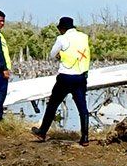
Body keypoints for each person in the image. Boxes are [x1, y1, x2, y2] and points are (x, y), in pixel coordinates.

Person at [32, 17, 91, 146]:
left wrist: (60, 55)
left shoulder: (62, 38)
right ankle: (85, 138)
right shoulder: (84, 37)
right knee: (82, 107)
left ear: (62, 28)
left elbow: (52, 54)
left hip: (65, 77)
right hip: (81, 77)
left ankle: (42, 132)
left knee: (53, 104)